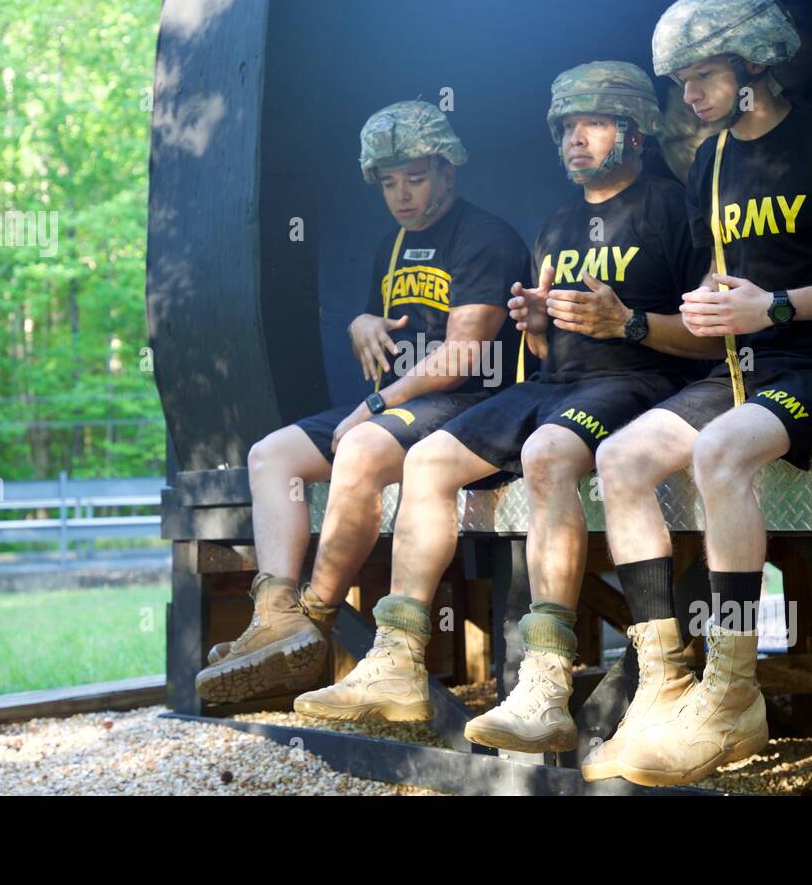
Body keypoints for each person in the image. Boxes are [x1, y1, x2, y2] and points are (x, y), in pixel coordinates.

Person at [293, 63, 716, 752]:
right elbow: (548, 350)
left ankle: (546, 682)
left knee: (547, 454)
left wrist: (629, 323)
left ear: (634, 131)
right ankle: (397, 663)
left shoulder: (675, 207)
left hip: (642, 380)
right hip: (558, 385)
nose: (574, 140)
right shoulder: (558, 221)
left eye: (592, 124)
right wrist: (538, 323)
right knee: (425, 460)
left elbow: (711, 337)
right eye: (565, 128)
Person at [582, 0, 812, 787]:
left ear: (756, 61)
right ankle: (663, 683)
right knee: (620, 460)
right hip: (744, 367)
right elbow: (726, 286)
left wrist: (773, 307)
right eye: (680, 82)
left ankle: (732, 686)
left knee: (722, 452)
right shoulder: (708, 160)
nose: (689, 94)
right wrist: (704, 310)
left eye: (701, 74)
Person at [195, 101, 528, 705]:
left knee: (361, 444)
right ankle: (277, 618)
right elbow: (389, 336)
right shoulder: (394, 244)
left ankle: (315, 617)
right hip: (401, 403)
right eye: (389, 182)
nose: (401, 194)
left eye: (416, 178)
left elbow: (462, 355)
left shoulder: (487, 238)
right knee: (270, 456)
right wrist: (361, 324)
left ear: (448, 171)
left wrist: (373, 404)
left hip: (474, 405)